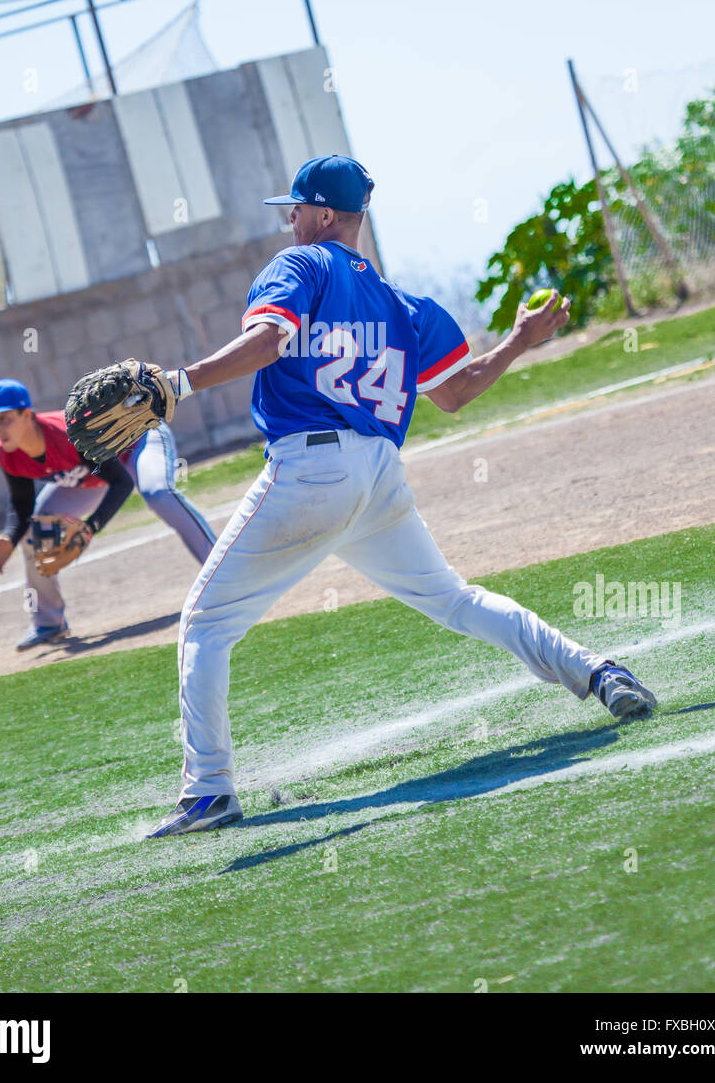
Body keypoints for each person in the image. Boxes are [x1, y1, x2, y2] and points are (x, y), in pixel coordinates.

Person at [125, 155, 657, 836]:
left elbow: (268, 339)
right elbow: (457, 392)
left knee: (205, 621)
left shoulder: (302, 266)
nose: (288, 219)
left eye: (294, 208)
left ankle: (208, 793)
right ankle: (598, 671)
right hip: (379, 475)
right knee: (457, 600)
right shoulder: (407, 307)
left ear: (322, 215)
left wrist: (181, 382)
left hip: (309, 470)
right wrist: (521, 340)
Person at [0, 378, 216, 650]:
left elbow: (122, 483)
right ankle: (49, 623)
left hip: (138, 440)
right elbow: (21, 502)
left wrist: (90, 527)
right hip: (95, 475)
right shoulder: (7, 453)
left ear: (27, 415)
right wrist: (8, 538)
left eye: (4, 419)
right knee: (37, 532)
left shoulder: (67, 435)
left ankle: (222, 572)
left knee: (158, 493)